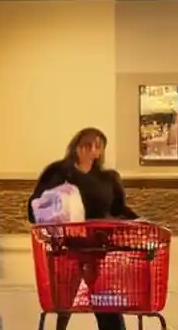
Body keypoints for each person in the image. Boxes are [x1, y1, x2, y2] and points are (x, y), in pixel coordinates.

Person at [28, 128, 136, 330]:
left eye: (97, 146)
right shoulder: (59, 172)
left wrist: (140, 220)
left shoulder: (108, 179)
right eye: (87, 145)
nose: (92, 150)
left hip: (99, 248)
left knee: (105, 301)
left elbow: (118, 209)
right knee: (64, 302)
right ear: (76, 146)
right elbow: (38, 203)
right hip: (67, 247)